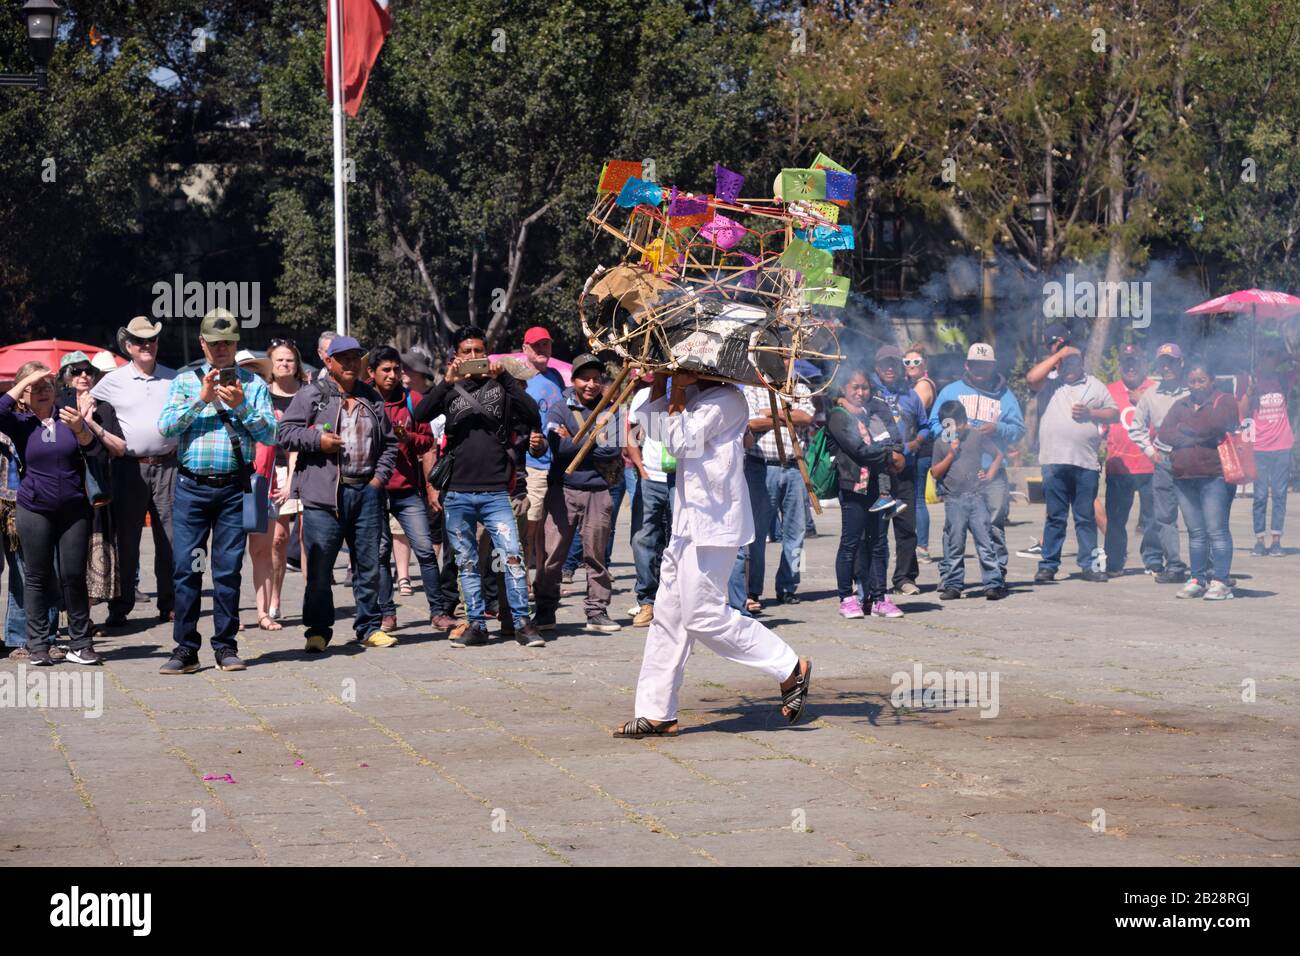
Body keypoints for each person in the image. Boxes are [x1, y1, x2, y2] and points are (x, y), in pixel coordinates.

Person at [613, 370, 812, 738]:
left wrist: (677, 393)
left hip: (715, 523)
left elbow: (680, 443)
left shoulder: (726, 399)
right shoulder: (692, 396)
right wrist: (660, 382)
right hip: (688, 523)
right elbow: (650, 430)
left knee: (703, 616)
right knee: (668, 619)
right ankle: (657, 711)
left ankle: (789, 665)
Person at [157, 308, 277, 674]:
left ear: (236, 344)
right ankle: (185, 649)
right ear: (202, 344)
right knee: (187, 570)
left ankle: (226, 646)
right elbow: (165, 428)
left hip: (231, 491)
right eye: (215, 343)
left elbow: (270, 434)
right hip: (192, 490)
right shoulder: (183, 381)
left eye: (228, 343)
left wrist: (241, 407)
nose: (221, 349)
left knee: (226, 571)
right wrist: (203, 400)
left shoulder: (253, 385)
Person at [412, 326, 543, 647]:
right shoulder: (450, 389)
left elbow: (532, 411)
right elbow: (419, 413)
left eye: (479, 351)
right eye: (467, 352)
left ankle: (523, 624)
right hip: (457, 492)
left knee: (512, 556)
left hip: (497, 492)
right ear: (456, 356)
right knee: (467, 562)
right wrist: (447, 381)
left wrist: (507, 379)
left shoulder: (502, 387)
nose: (474, 357)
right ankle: (477, 625)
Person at [278, 336, 399, 651]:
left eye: (355, 358)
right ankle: (317, 631)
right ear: (328, 362)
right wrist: (319, 442)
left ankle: (369, 627)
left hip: (366, 492)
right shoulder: (311, 395)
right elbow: (285, 433)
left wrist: (378, 480)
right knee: (319, 568)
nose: (349, 363)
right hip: (323, 498)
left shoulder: (371, 397)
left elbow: (389, 444)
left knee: (369, 564)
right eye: (342, 358)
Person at [0, 363, 106, 666]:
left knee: (73, 576)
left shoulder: (68, 417)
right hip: (34, 509)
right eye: (37, 387)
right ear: (23, 396)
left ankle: (81, 643)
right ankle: (37, 645)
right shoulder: (20, 423)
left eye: (48, 385)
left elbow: (96, 450)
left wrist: (81, 429)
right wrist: (24, 382)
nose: (45, 391)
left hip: (73, 509)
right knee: (36, 576)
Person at [90, 315, 178, 628]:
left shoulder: (173, 377)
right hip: (128, 468)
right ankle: (121, 604)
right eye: (140, 341)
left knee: (170, 539)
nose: (147, 345)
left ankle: (170, 603)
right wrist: (98, 433)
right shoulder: (113, 380)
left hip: (168, 465)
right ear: (128, 346)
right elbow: (86, 408)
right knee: (126, 541)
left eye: (152, 339)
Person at [535, 353, 623, 634]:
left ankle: (597, 611)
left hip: (599, 491)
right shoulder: (559, 409)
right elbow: (557, 449)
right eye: (585, 378)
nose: (591, 384)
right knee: (553, 556)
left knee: (596, 555)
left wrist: (575, 440)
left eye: (597, 379)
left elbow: (612, 451)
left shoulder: (611, 410)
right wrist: (594, 439)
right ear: (574, 380)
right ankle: (545, 611)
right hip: (564, 491)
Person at [927, 344, 1025, 583]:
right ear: (967, 365)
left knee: (992, 526)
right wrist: (956, 434)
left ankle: (996, 576)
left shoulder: (1005, 395)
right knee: (954, 530)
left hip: (991, 474)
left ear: (993, 366)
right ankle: (951, 579)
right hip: (957, 474)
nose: (980, 369)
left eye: (985, 365)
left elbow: (1019, 429)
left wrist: (998, 428)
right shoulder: (951, 391)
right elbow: (934, 424)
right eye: (975, 364)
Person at [1026, 346, 1118, 582]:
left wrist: (1092, 412)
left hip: (1085, 462)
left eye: (1074, 362)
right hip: (1054, 460)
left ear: (1083, 363)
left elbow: (1114, 413)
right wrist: (1058, 355)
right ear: (1058, 364)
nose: (1069, 367)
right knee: (1055, 516)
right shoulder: (1050, 383)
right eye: (1065, 363)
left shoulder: (1095, 385)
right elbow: (1031, 378)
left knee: (1085, 516)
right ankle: (1048, 565)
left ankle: (1089, 565)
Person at [369, 346, 444, 632]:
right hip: (374, 489)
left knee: (425, 549)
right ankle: (387, 613)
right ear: (372, 373)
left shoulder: (413, 401)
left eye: (395, 370)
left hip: (407, 490)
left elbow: (428, 443)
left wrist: (408, 436)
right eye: (385, 370)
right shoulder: (362, 399)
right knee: (380, 553)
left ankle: (438, 612)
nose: (391, 376)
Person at [1159, 359, 1240, 600]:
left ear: (1211, 380)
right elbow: (1165, 432)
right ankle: (1197, 578)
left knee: (1216, 530)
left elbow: (1215, 424)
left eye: (1201, 380)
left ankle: (1221, 580)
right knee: (1195, 532)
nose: (1196, 385)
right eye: (1192, 381)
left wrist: (1185, 429)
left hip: (1214, 476)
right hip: (1184, 476)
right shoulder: (1180, 404)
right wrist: (1193, 433)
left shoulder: (1224, 400)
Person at [827, 367, 904, 619]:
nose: (860, 392)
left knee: (879, 543)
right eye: (855, 387)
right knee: (851, 542)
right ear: (844, 389)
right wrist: (888, 455)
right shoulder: (839, 416)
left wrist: (894, 451)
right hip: (853, 488)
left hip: (877, 488)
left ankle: (878, 597)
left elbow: (890, 439)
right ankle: (846, 597)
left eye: (865, 388)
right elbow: (858, 449)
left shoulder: (870, 414)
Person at [734, 379, 816, 610]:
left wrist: (771, 414)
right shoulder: (753, 388)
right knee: (756, 532)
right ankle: (753, 589)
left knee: (797, 531)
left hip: (794, 466)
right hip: (761, 466)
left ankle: (788, 585)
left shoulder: (800, 388)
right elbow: (750, 422)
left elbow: (806, 417)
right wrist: (788, 415)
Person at [59, 352, 126, 623]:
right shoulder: (57, 407)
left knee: (93, 555)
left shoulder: (105, 408)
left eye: (88, 371)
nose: (84, 376)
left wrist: (90, 424)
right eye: (76, 371)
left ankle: (85, 617)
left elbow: (120, 448)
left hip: (97, 491)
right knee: (70, 560)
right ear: (65, 376)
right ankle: (76, 619)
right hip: (66, 491)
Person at [1126, 343, 1192, 583]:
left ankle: (1205, 565)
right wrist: (1149, 450)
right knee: (1164, 517)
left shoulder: (1192, 390)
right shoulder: (1150, 395)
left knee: (1196, 516)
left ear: (1181, 363)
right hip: (1164, 462)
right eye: (1162, 363)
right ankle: (1174, 565)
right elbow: (1137, 428)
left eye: (1171, 362)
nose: (1167, 367)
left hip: (1193, 462)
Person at [931, 401, 1006, 600]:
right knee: (955, 544)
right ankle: (953, 584)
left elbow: (998, 454)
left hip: (977, 497)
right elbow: (935, 473)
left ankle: (993, 583)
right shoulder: (940, 443)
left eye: (963, 422)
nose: (962, 427)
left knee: (985, 541)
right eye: (956, 424)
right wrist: (951, 453)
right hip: (953, 500)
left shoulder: (976, 436)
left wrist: (989, 475)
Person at [871, 345, 927, 594]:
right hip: (878, 471)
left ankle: (904, 578)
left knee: (906, 527)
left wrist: (916, 443)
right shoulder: (869, 393)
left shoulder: (911, 395)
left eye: (895, 363)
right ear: (877, 368)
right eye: (885, 364)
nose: (891, 368)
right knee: (876, 528)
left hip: (906, 469)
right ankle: (873, 580)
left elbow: (926, 426)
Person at [1104, 344, 1161, 575]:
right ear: (1120, 365)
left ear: (1144, 364)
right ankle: (1115, 561)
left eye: (1135, 361)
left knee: (1153, 519)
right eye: (1126, 362)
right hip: (1119, 466)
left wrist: (1144, 402)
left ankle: (1154, 559)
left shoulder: (1156, 390)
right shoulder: (1108, 391)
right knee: (1116, 519)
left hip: (1151, 464)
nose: (1130, 367)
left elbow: (1166, 422)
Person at [1238, 344, 1294, 556]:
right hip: (1260, 446)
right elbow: (1242, 413)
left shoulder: (1283, 379)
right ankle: (1260, 540)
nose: (1268, 358)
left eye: (1272, 354)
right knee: (1260, 495)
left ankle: (1276, 541)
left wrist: (1285, 355)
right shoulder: (1251, 381)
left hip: (1282, 444)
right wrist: (1249, 392)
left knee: (1279, 494)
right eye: (1265, 354)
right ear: (1259, 358)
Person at [520, 327, 565, 581]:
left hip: (557, 463)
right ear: (525, 348)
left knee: (548, 526)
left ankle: (543, 579)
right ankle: (524, 578)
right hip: (532, 463)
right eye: (536, 345)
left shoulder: (557, 377)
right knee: (530, 522)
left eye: (546, 345)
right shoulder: (521, 379)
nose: (542, 350)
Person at [627, 373, 672, 626]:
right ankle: (647, 601)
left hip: (681, 482)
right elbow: (631, 435)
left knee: (677, 542)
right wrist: (640, 468)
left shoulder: (691, 396)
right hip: (651, 478)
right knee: (643, 540)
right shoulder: (643, 397)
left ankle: (674, 601)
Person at [904, 346, 937, 562]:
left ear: (924, 364)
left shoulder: (924, 385)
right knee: (912, 498)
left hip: (921, 448)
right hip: (915, 446)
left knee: (917, 499)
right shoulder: (914, 385)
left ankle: (922, 547)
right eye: (907, 363)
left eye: (916, 362)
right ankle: (916, 544)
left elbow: (911, 412)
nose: (911, 366)